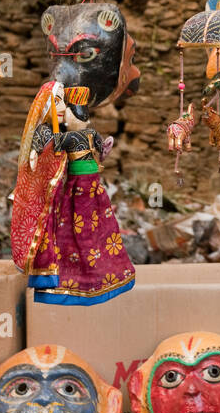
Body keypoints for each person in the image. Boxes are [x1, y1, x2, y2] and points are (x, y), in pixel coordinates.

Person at [12, 81, 135, 305]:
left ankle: (104, 273)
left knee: (101, 230)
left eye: (64, 103)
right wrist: (36, 153)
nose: (62, 109)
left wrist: (102, 146)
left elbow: (98, 146)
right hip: (77, 187)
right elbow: (46, 146)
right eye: (57, 102)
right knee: (76, 230)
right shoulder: (62, 136)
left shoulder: (85, 134)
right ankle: (69, 277)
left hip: (94, 185)